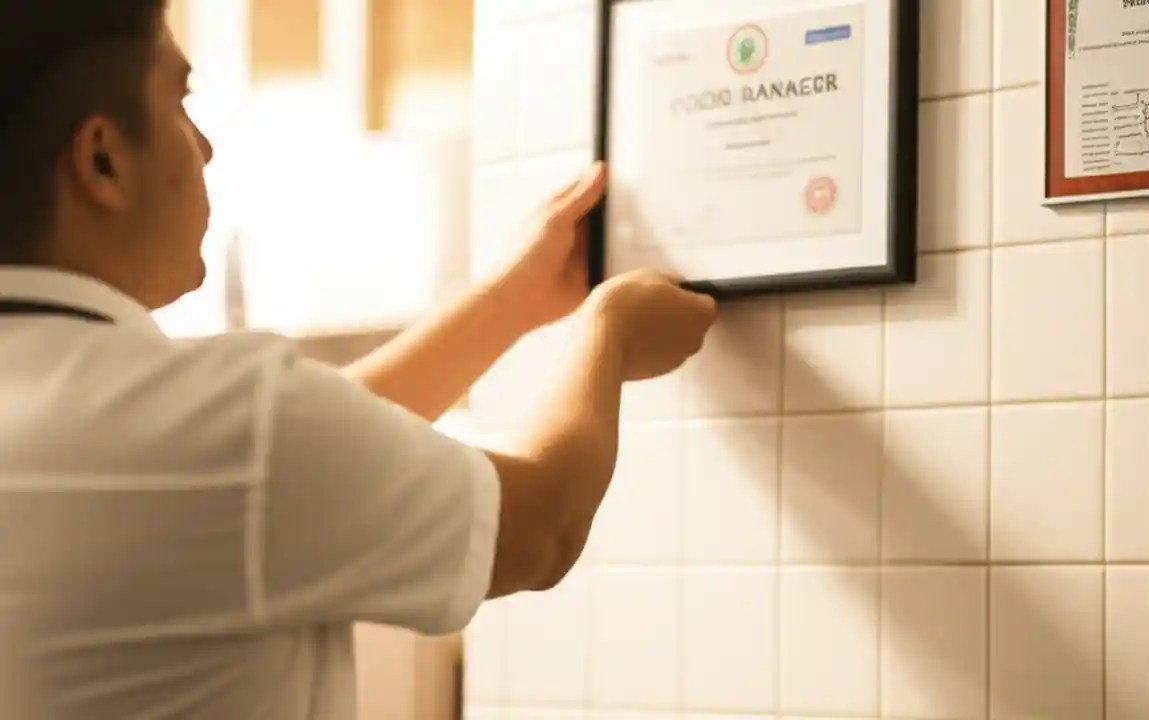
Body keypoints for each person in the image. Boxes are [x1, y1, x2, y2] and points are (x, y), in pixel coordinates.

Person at [0, 2, 717, 719]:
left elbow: (295, 457)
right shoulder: (228, 427)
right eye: (181, 101)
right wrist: (610, 331)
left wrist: (513, 300)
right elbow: (542, 525)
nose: (205, 147)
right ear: (102, 159)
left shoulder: (183, 427)